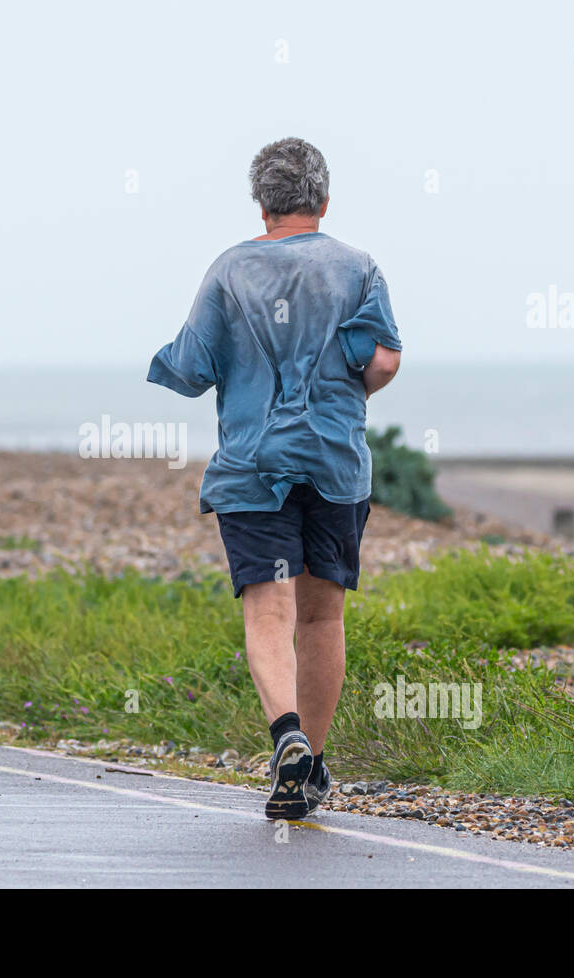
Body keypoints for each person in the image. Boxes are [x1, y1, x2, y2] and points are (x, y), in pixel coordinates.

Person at [147, 137, 402, 819]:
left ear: (261, 204)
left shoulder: (230, 270)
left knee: (269, 609)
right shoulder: (357, 267)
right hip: (335, 465)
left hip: (253, 466)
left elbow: (191, 368)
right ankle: (310, 766)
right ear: (323, 200)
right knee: (322, 616)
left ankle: (284, 735)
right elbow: (382, 361)